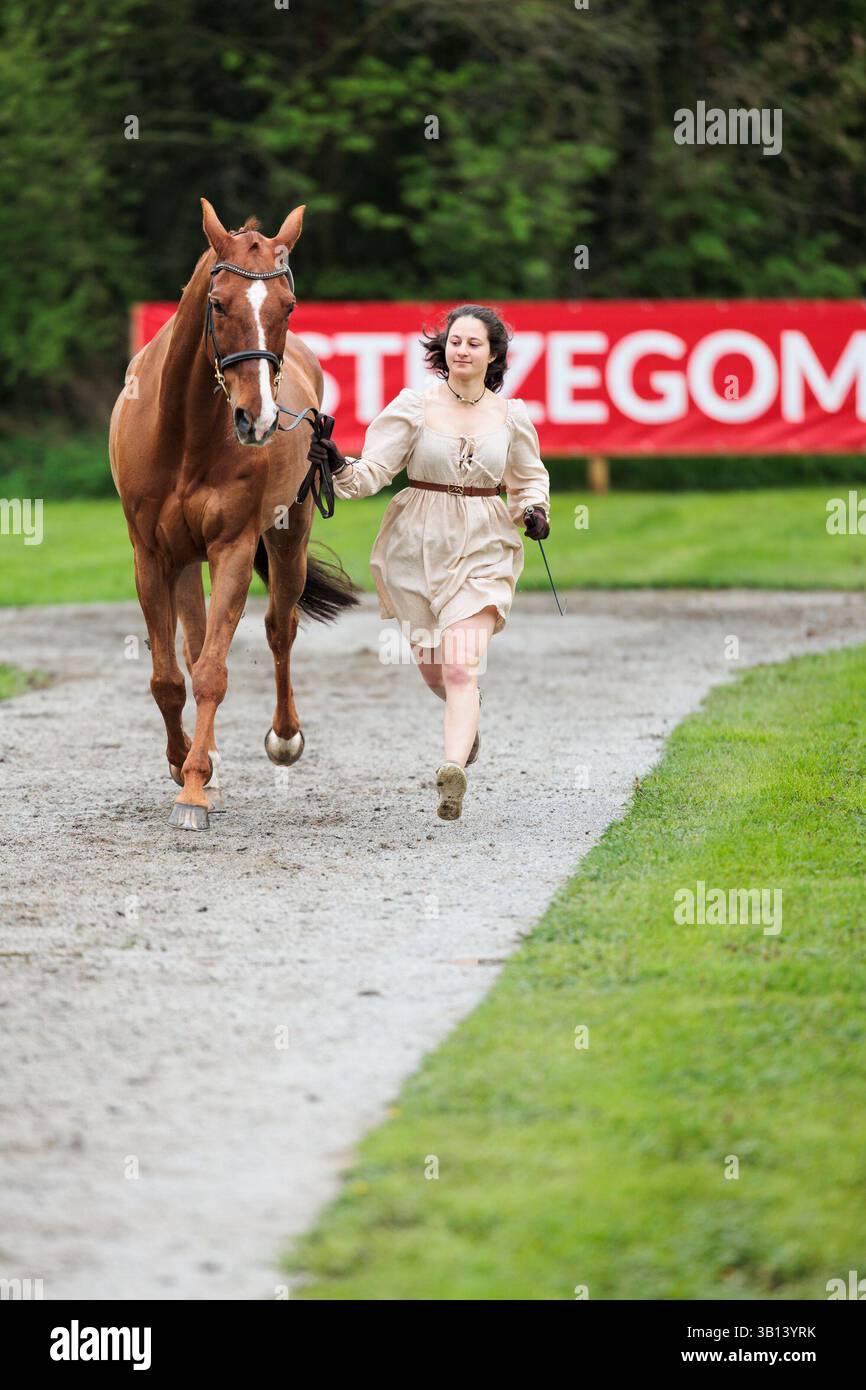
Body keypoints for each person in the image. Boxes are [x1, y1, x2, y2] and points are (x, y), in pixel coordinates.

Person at [307, 304, 551, 821]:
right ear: (443, 350)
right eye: (455, 341)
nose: (462, 350)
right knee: (435, 670)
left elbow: (529, 478)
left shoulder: (512, 416)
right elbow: (372, 472)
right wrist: (337, 464)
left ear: (493, 355)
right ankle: (468, 720)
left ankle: (451, 770)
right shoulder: (413, 408)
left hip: (484, 541)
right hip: (416, 542)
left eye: (473, 343)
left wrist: (534, 510)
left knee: (462, 666)